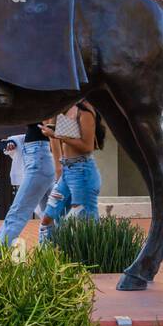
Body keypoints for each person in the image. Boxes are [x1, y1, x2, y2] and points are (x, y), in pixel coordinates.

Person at [39, 100, 105, 237]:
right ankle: (48, 256)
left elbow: (87, 147)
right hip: (67, 171)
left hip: (82, 171)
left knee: (86, 222)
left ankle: (93, 257)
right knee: (47, 218)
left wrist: (57, 135)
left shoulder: (85, 110)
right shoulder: (65, 107)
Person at [0, 121, 57, 248]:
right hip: (40, 156)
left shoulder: (49, 107)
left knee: (16, 214)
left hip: (38, 158)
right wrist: (14, 142)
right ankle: (48, 258)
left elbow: (52, 129)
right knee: (50, 217)